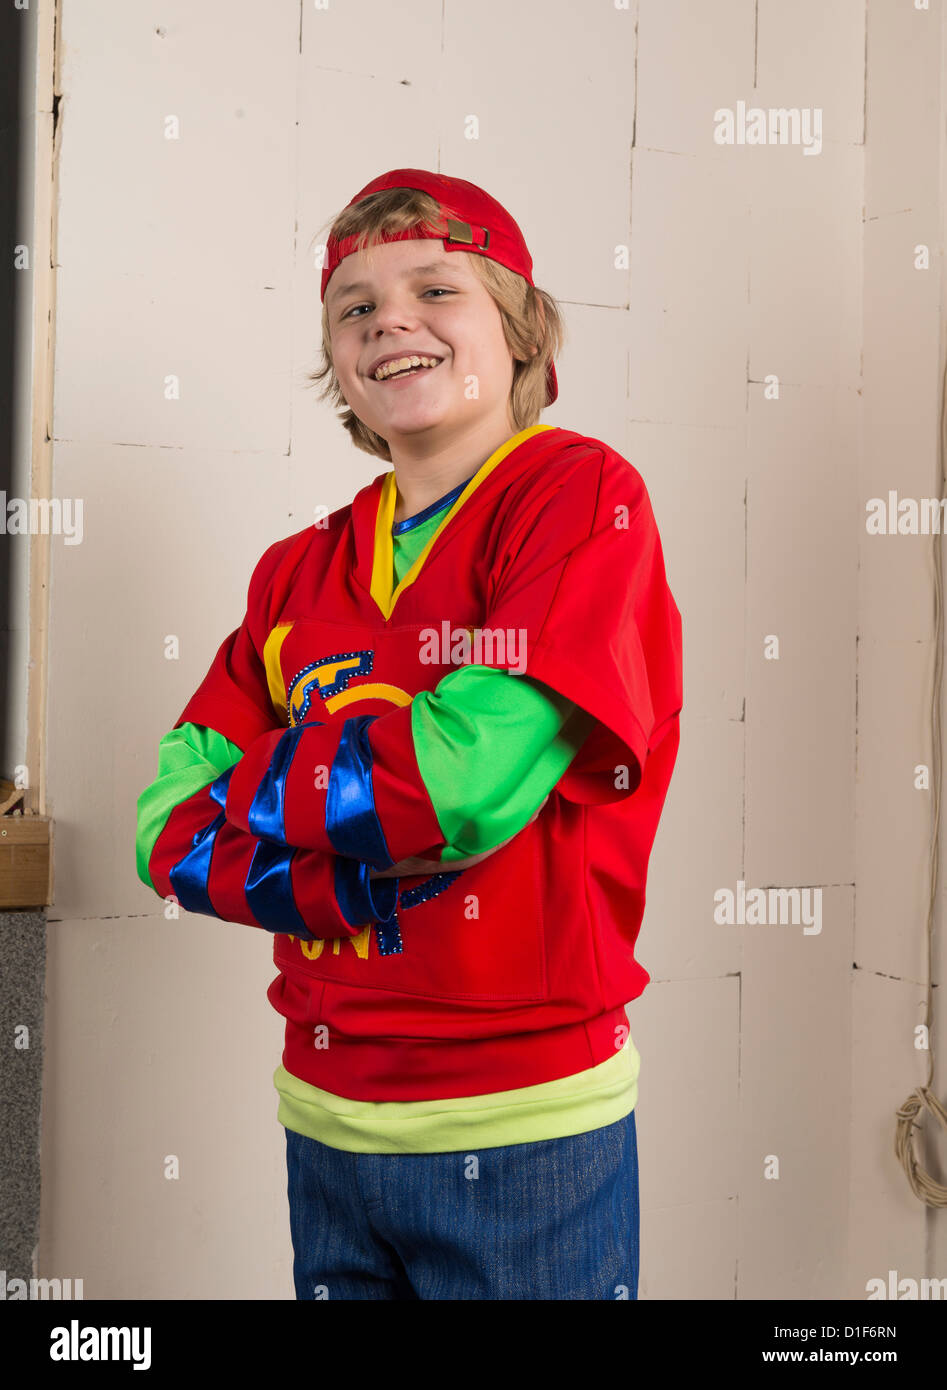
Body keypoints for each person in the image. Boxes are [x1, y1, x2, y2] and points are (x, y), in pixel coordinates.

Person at [135, 168, 683, 1300]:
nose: (389, 318)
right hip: (326, 1114)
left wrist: (258, 792)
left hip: (521, 1124)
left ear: (518, 327)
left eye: (435, 289)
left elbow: (456, 787)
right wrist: (357, 869)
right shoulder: (293, 569)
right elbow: (162, 832)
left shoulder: (577, 499)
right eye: (353, 305)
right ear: (337, 358)